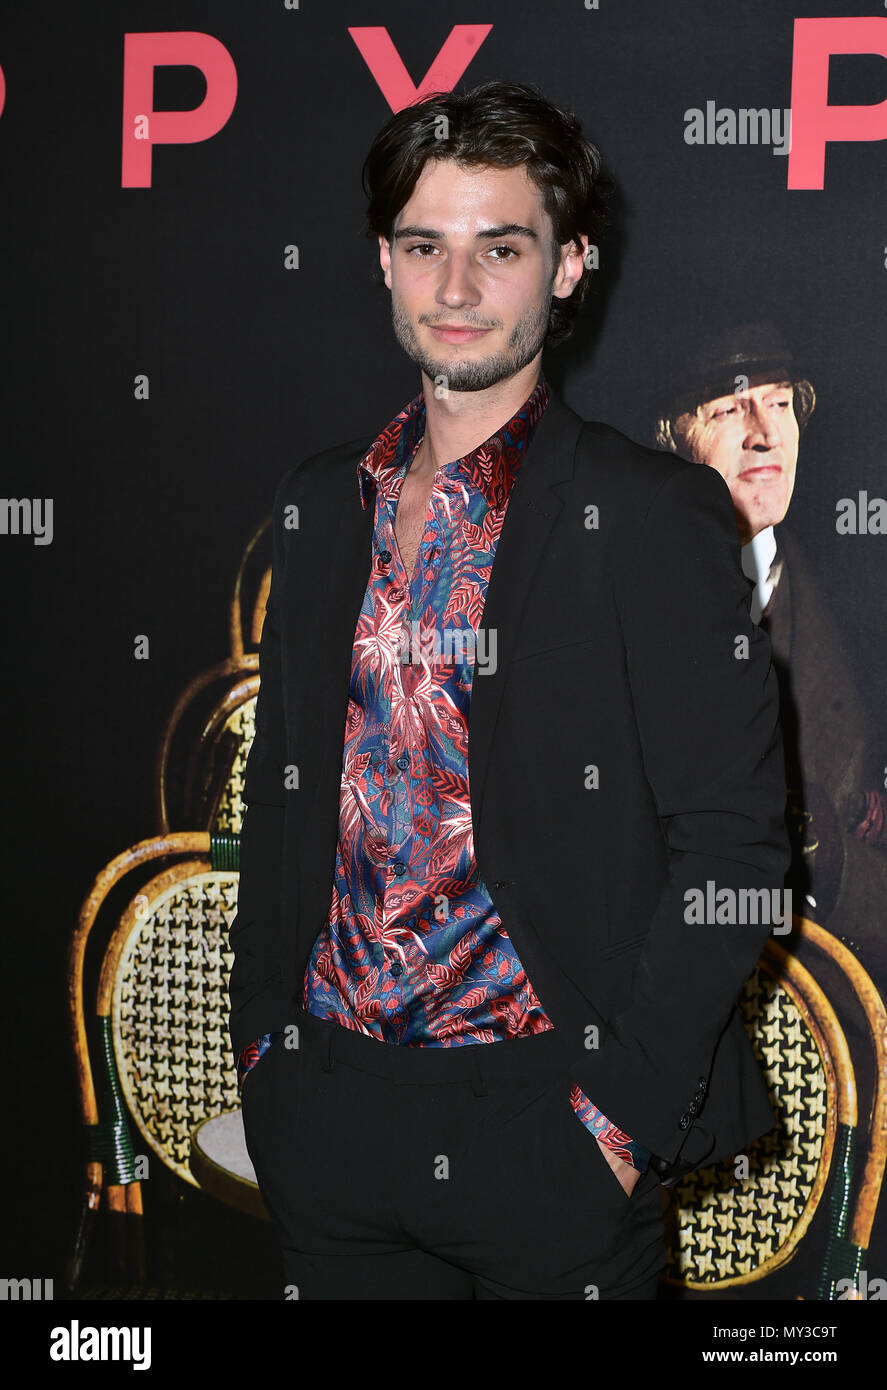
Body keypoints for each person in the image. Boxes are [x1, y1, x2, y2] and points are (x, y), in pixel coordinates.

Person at [228, 81, 790, 1301]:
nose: (457, 288)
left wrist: (617, 1118)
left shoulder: (648, 514)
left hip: (549, 1127)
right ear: (383, 260)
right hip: (325, 1114)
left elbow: (736, 851)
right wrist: (262, 1046)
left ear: (571, 265)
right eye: (425, 246)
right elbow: (280, 795)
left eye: (502, 246)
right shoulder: (323, 501)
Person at [654, 323, 887, 976]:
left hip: (820, 1019)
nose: (764, 433)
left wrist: (827, 855)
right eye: (729, 409)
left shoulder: (858, 610)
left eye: (779, 402)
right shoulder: (613, 592)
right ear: (674, 435)